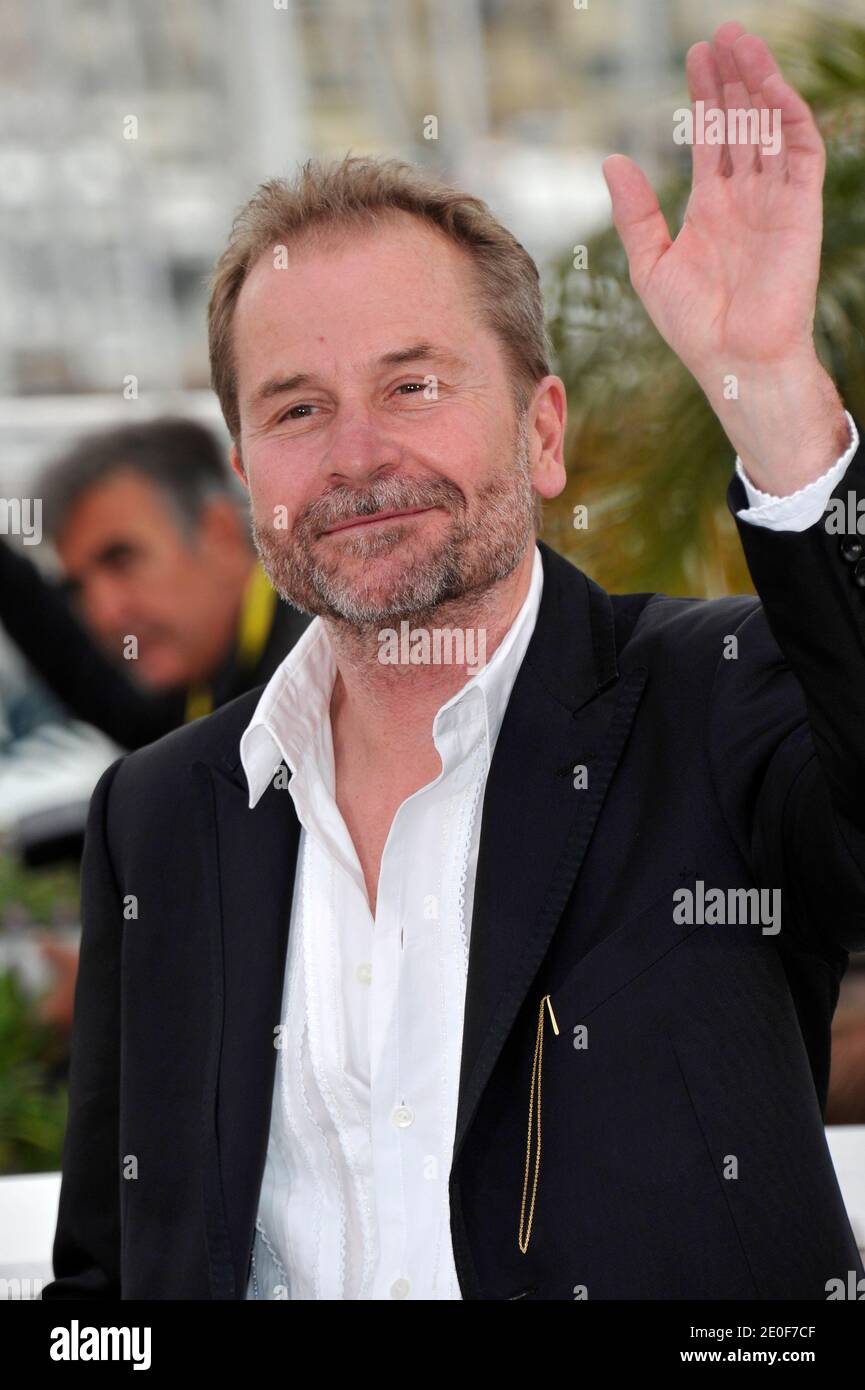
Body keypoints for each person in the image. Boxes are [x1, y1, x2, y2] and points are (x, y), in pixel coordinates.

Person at [43, 22, 865, 1300]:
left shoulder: (713, 700)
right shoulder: (158, 814)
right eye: (297, 408)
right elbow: (106, 1278)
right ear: (248, 471)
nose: (356, 454)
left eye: (414, 384)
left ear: (542, 431)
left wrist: (771, 390)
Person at [0, 416, 312, 750]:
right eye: (76, 588)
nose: (104, 615)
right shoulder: (206, 683)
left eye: (122, 560)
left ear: (221, 535)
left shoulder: (324, 679)